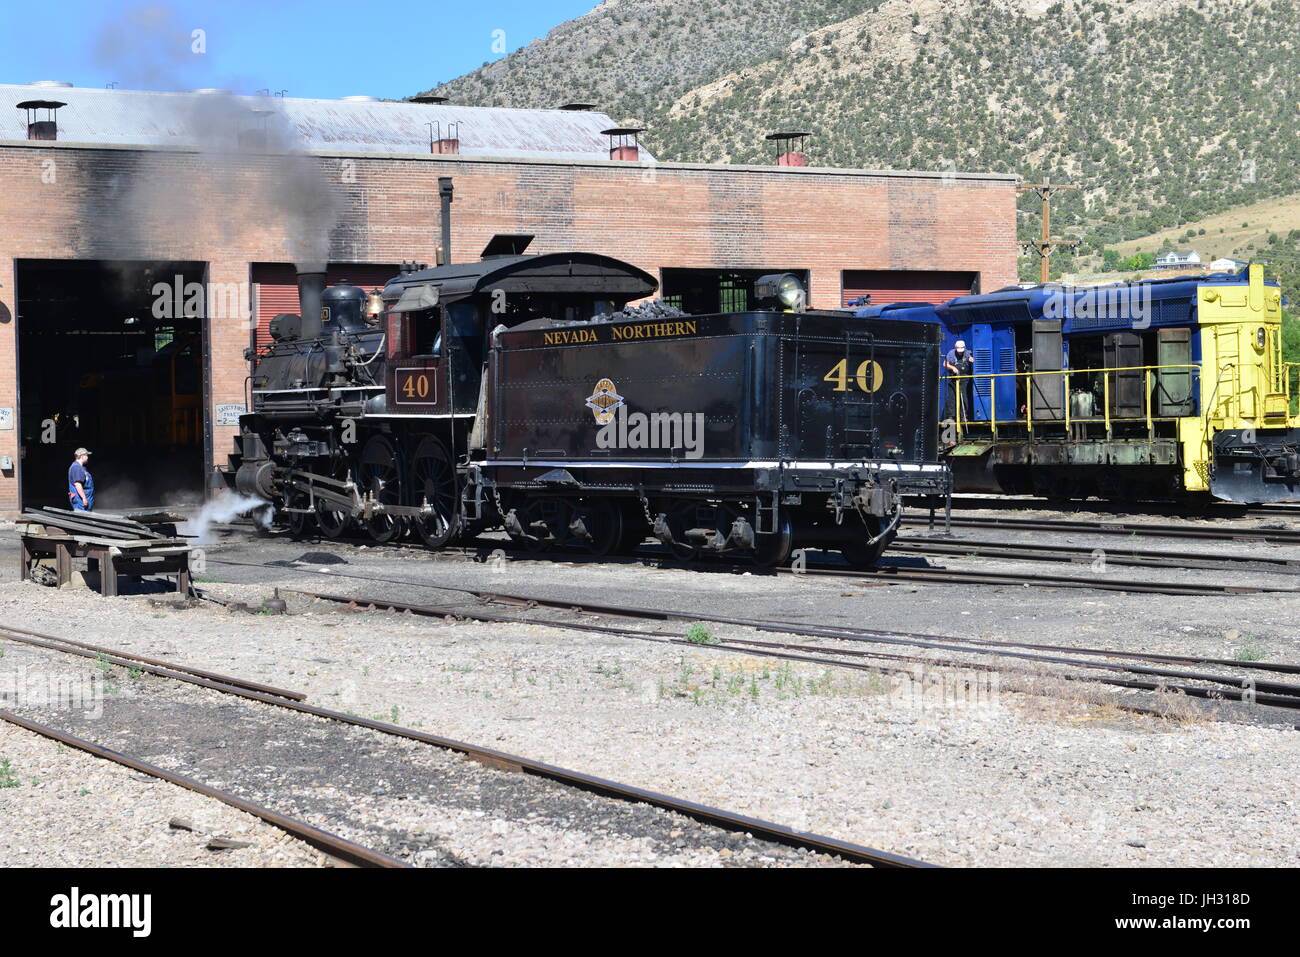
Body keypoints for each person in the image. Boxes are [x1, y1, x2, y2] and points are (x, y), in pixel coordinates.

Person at [943, 340, 974, 424]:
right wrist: (952, 367)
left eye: (962, 351)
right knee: (951, 397)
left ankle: (964, 416)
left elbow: (973, 359)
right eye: (958, 351)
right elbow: (945, 363)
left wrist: (972, 360)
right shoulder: (951, 353)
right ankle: (951, 416)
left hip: (965, 378)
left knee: (964, 397)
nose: (960, 353)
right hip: (953, 377)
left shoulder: (968, 353)